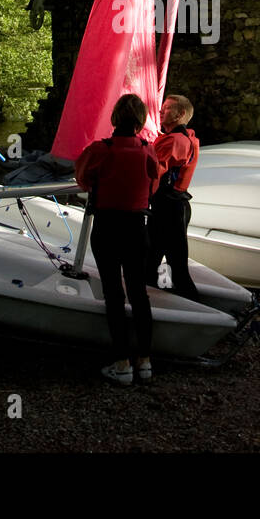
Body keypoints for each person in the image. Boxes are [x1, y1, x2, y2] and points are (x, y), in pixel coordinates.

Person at [75, 93, 160, 385]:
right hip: (137, 226)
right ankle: (145, 362)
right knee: (139, 293)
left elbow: (82, 177)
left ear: (114, 118)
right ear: (141, 121)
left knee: (114, 294)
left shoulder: (99, 150)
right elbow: (154, 182)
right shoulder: (148, 151)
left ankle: (122, 362)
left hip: (107, 226)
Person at [146, 94, 201, 302]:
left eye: (167, 108)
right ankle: (156, 298)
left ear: (181, 114)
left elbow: (154, 172)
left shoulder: (176, 141)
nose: (161, 110)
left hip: (170, 209)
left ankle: (196, 311)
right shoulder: (179, 138)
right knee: (152, 259)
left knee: (176, 266)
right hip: (170, 207)